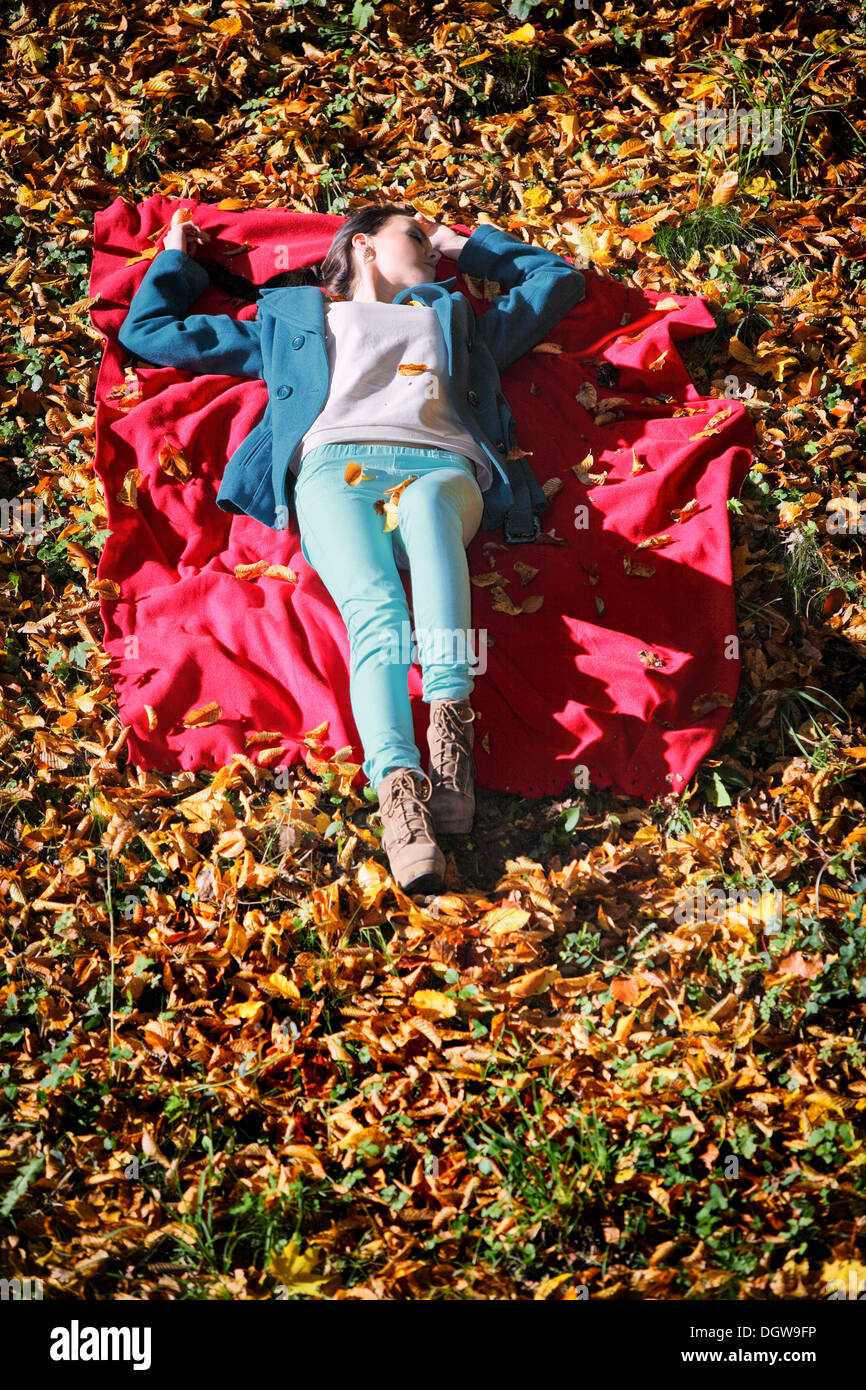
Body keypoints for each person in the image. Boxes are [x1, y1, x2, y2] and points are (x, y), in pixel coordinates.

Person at [118, 203, 585, 896]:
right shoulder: (296, 323)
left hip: (442, 469)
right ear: (364, 245)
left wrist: (465, 246)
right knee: (376, 613)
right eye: (417, 238)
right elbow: (151, 332)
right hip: (334, 471)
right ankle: (401, 799)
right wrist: (177, 263)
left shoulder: (455, 320)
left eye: (432, 243)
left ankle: (450, 737)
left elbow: (557, 280)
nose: (429, 251)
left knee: (428, 508)